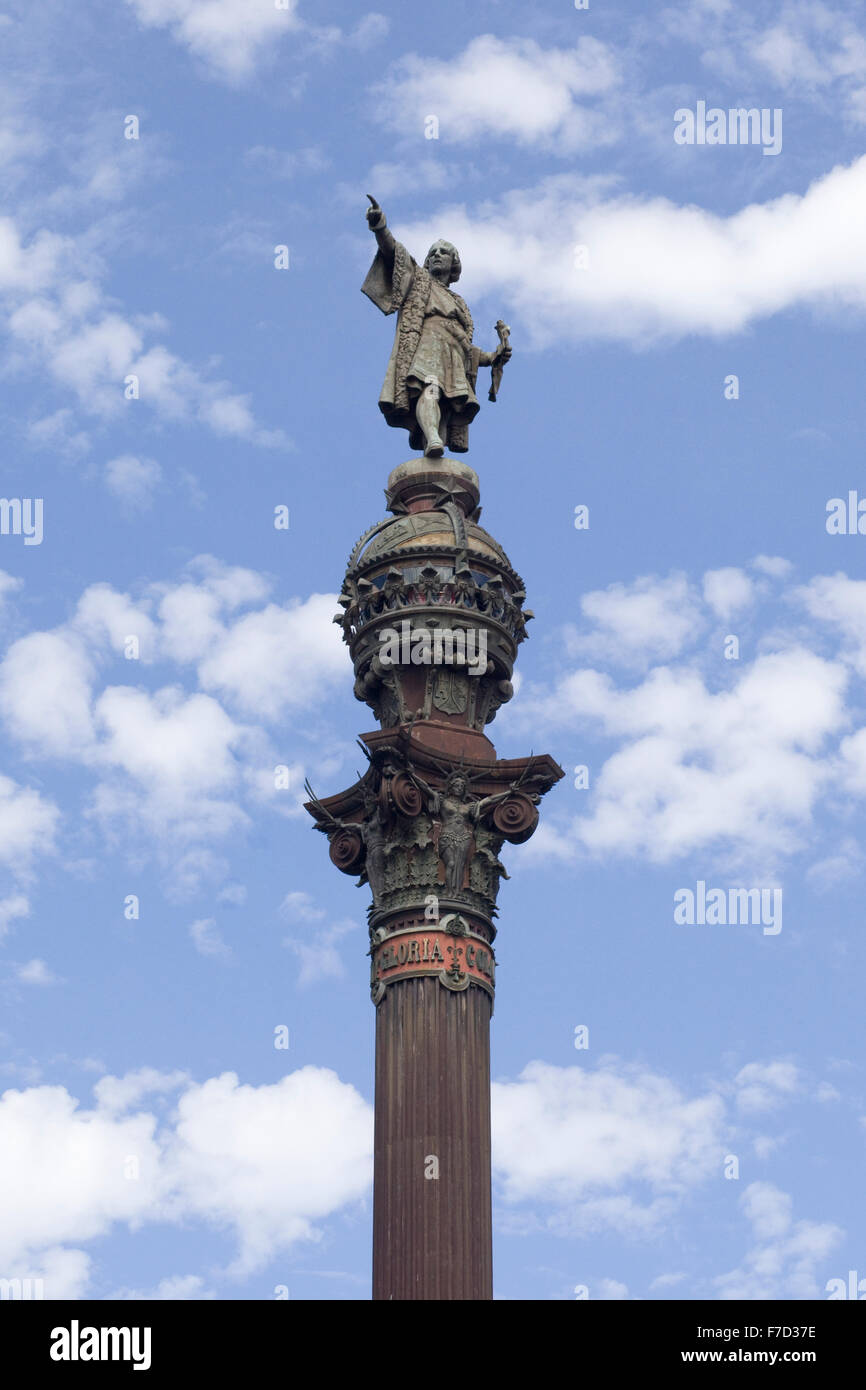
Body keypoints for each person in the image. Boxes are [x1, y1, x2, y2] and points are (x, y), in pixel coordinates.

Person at [362, 196, 511, 456]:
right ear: (428, 262)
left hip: (453, 355)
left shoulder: (459, 302)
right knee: (429, 389)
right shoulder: (419, 280)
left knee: (448, 401)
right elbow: (394, 253)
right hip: (426, 344)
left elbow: (468, 349)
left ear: (454, 264)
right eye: (433, 253)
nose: (437, 256)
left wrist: (494, 356)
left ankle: (435, 440)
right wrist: (380, 227)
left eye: (444, 253)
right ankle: (432, 438)